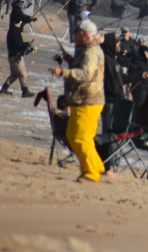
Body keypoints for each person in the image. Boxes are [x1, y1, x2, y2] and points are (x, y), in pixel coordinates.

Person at [49, 20, 117, 184]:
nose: (75, 34)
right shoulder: (86, 49)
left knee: (81, 138)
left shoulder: (91, 51)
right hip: (83, 99)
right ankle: (98, 167)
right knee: (73, 135)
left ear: (85, 34)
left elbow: (86, 73)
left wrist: (63, 72)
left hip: (89, 100)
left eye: (77, 31)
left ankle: (90, 173)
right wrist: (71, 61)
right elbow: (85, 68)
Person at [0, 0, 36, 98]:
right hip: (15, 56)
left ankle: (4, 89)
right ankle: (25, 91)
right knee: (23, 74)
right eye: (19, 23)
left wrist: (27, 48)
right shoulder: (13, 33)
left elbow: (18, 44)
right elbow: (18, 44)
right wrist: (26, 44)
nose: (21, 25)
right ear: (16, 23)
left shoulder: (14, 32)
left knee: (14, 75)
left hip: (13, 55)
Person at [125, 39, 148, 119]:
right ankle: (133, 126)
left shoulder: (145, 62)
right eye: (147, 52)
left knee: (145, 109)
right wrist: (142, 75)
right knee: (138, 108)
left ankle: (139, 126)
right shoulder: (135, 62)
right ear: (143, 52)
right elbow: (131, 75)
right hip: (138, 88)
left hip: (146, 88)